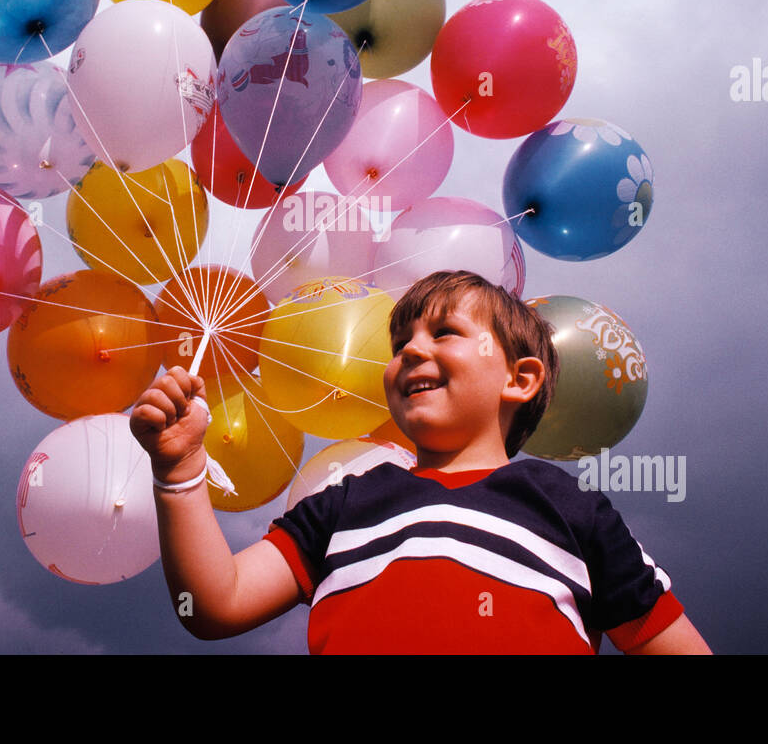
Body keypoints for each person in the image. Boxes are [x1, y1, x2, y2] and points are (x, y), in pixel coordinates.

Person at [130, 270, 711, 654]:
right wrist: (178, 473)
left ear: (520, 379)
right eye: (400, 341)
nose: (410, 349)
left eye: (445, 332)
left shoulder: (570, 509)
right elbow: (213, 604)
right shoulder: (346, 501)